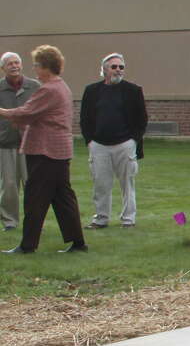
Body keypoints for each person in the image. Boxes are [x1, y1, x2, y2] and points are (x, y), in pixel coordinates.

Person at [0, 46, 87, 254]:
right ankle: (78, 243)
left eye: (37, 65)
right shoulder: (60, 86)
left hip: (46, 152)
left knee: (35, 198)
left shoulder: (49, 89)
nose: (34, 69)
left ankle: (27, 246)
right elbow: (37, 116)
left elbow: (26, 112)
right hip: (58, 152)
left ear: (47, 67)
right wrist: (20, 121)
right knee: (63, 197)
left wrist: (3, 112)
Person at [80, 52, 148, 229]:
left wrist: (133, 140)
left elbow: (142, 119)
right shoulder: (92, 91)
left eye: (121, 67)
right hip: (99, 145)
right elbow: (85, 119)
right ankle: (101, 219)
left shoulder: (133, 91)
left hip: (125, 144)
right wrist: (90, 141)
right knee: (101, 184)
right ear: (104, 69)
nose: (118, 70)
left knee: (128, 184)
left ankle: (128, 219)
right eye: (114, 67)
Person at [0, 52, 39, 231]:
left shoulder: (34, 86)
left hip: (31, 144)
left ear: (21, 65)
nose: (14, 66)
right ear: (3, 68)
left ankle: (34, 221)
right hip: (6, 144)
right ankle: (10, 222)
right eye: (10, 64)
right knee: (9, 186)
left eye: (17, 63)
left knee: (32, 184)